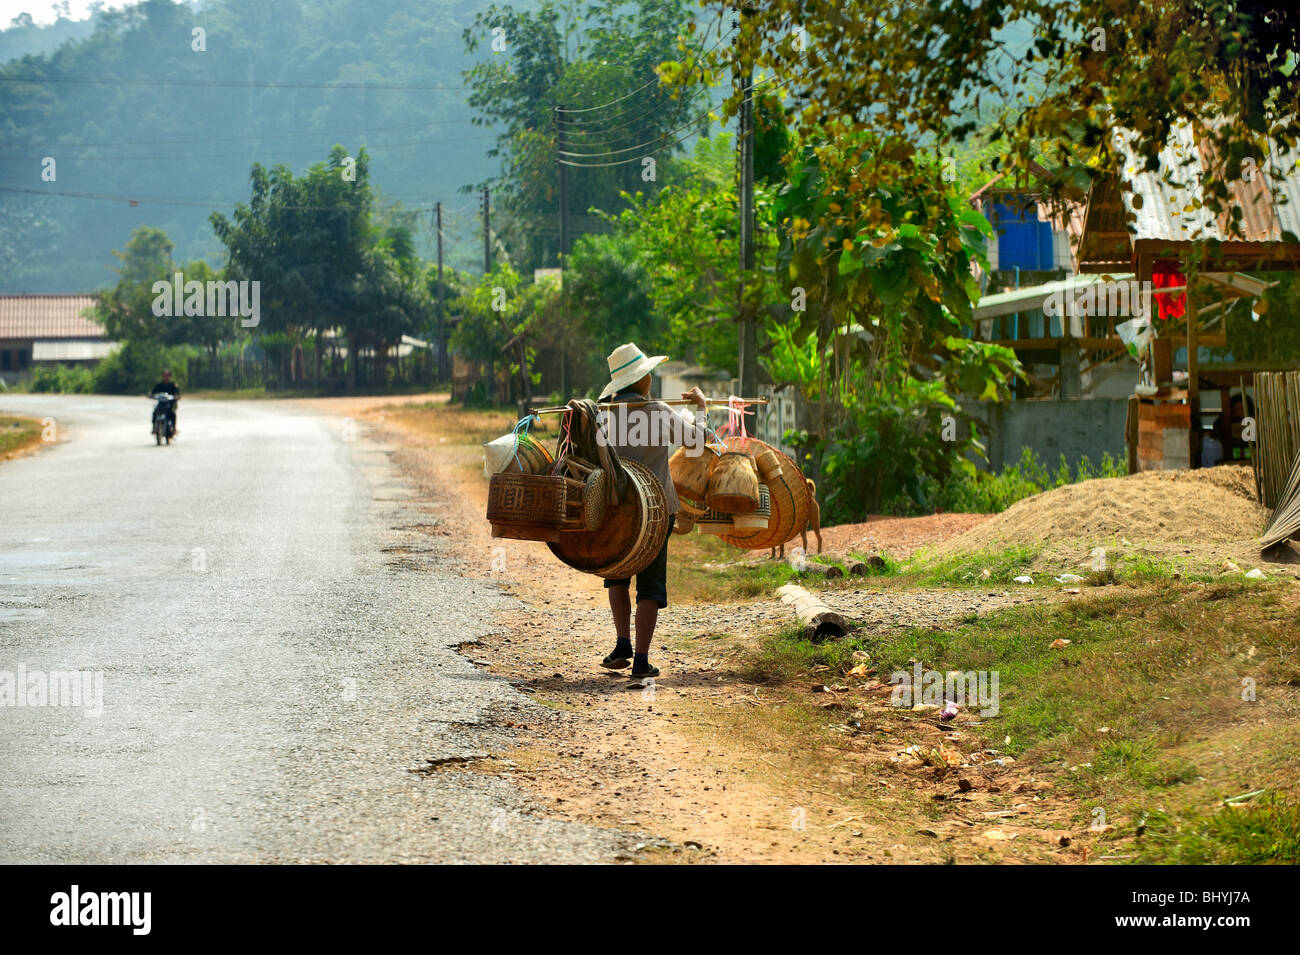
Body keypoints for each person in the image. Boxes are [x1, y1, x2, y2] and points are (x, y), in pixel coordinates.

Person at [596, 343, 711, 679]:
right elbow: (697, 443)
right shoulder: (658, 412)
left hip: (618, 508)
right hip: (658, 510)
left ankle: (622, 644)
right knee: (651, 583)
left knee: (616, 574)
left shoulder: (603, 416)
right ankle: (642, 660)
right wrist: (701, 409)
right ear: (642, 380)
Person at [149, 369, 180, 435]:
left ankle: (174, 428)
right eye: (164, 375)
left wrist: (177, 396)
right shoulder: (159, 385)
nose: (166, 377)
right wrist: (150, 395)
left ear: (170, 376)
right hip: (161, 403)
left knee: (172, 414)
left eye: (167, 375)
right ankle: (154, 428)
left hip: (170, 404)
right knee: (155, 412)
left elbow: (177, 393)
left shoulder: (172, 385)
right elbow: (153, 392)